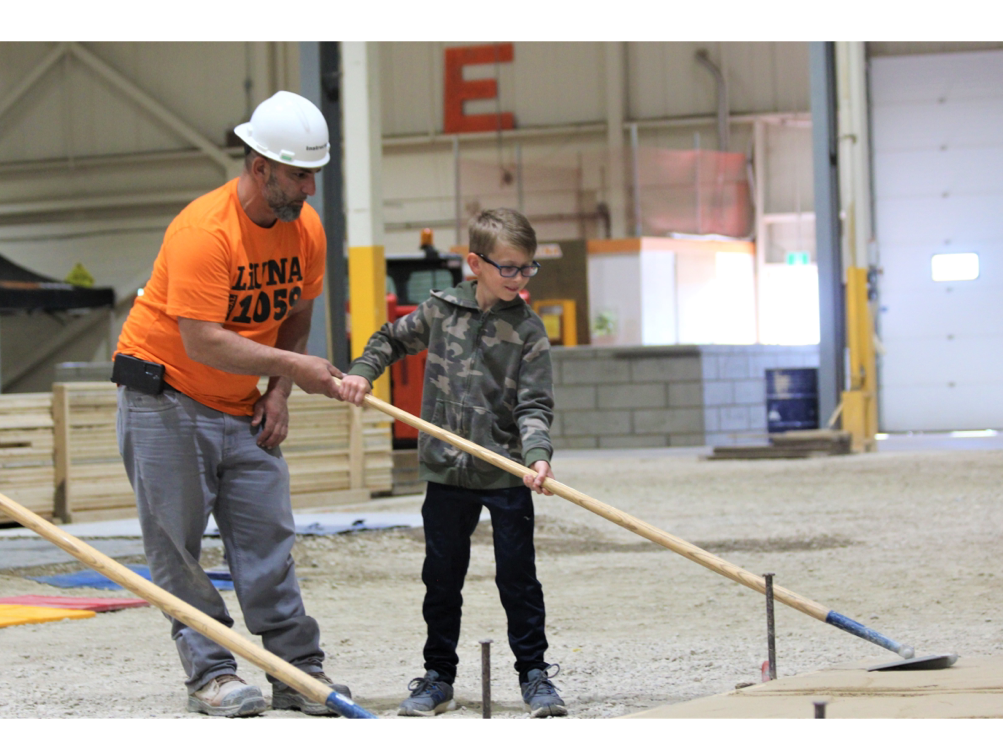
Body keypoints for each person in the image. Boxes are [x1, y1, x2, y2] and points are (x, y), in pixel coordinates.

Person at [114, 90, 349, 718]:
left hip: (241, 401)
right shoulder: (203, 231)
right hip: (163, 397)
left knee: (268, 535)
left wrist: (280, 392)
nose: (310, 189)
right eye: (300, 175)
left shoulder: (307, 230)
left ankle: (297, 670)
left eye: (314, 174)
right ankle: (212, 674)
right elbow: (203, 340)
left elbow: (298, 312)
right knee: (179, 548)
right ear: (260, 167)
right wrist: (295, 368)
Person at [340, 208, 568, 718]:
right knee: (441, 577)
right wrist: (362, 373)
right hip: (446, 470)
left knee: (518, 577)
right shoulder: (441, 311)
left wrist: (537, 457)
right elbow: (389, 339)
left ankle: (535, 675)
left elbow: (534, 405)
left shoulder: (528, 330)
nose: (518, 278)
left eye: (526, 268)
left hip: (505, 470)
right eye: (508, 267)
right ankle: (438, 677)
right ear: (476, 263)